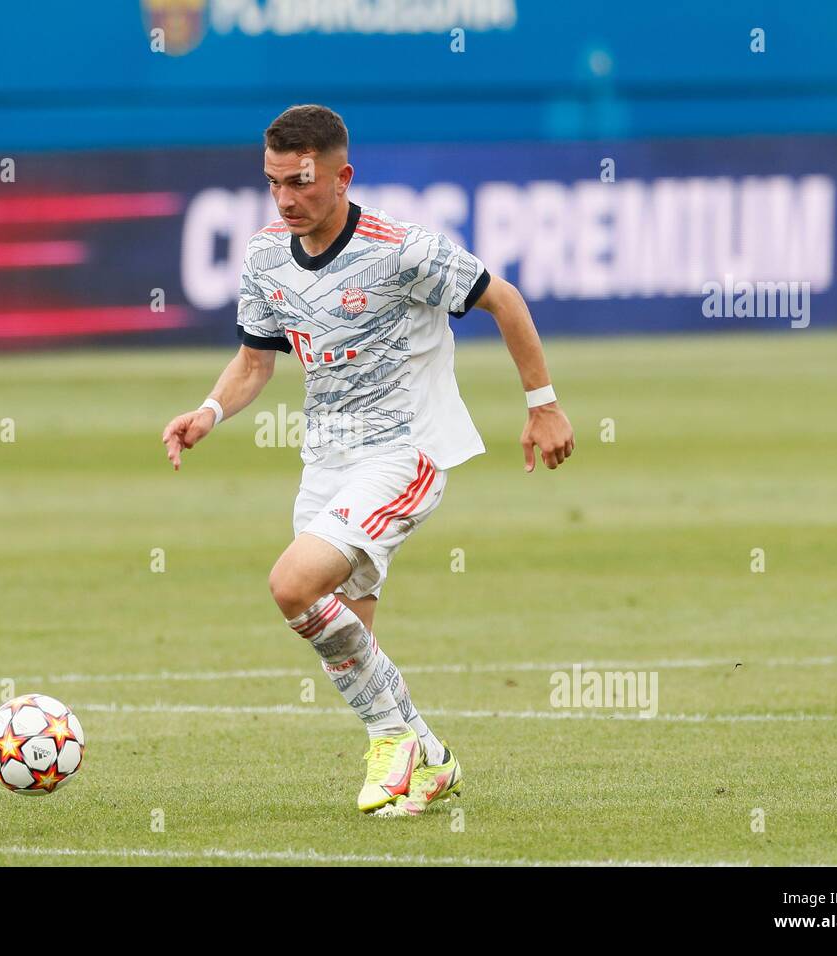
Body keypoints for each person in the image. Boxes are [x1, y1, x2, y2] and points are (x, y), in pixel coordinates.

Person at [161, 105, 573, 815]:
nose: (286, 198)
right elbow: (255, 362)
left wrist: (543, 405)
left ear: (342, 176)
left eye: (301, 181)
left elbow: (503, 300)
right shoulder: (265, 256)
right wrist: (209, 412)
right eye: (273, 182)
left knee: (292, 586)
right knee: (350, 644)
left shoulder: (402, 249)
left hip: (405, 452)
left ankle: (390, 740)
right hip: (325, 461)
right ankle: (431, 759)